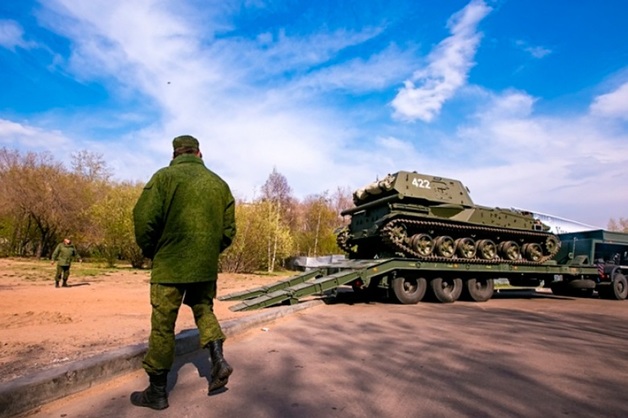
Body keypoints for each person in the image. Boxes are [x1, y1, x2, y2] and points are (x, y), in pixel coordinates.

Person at [130, 135, 237, 410]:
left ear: (175, 154)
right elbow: (228, 232)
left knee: (164, 325)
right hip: (204, 266)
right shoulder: (219, 184)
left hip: (169, 265)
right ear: (199, 153)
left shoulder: (164, 178)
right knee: (204, 310)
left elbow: (144, 219)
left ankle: (157, 392)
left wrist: (152, 249)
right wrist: (208, 251)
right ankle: (218, 361)